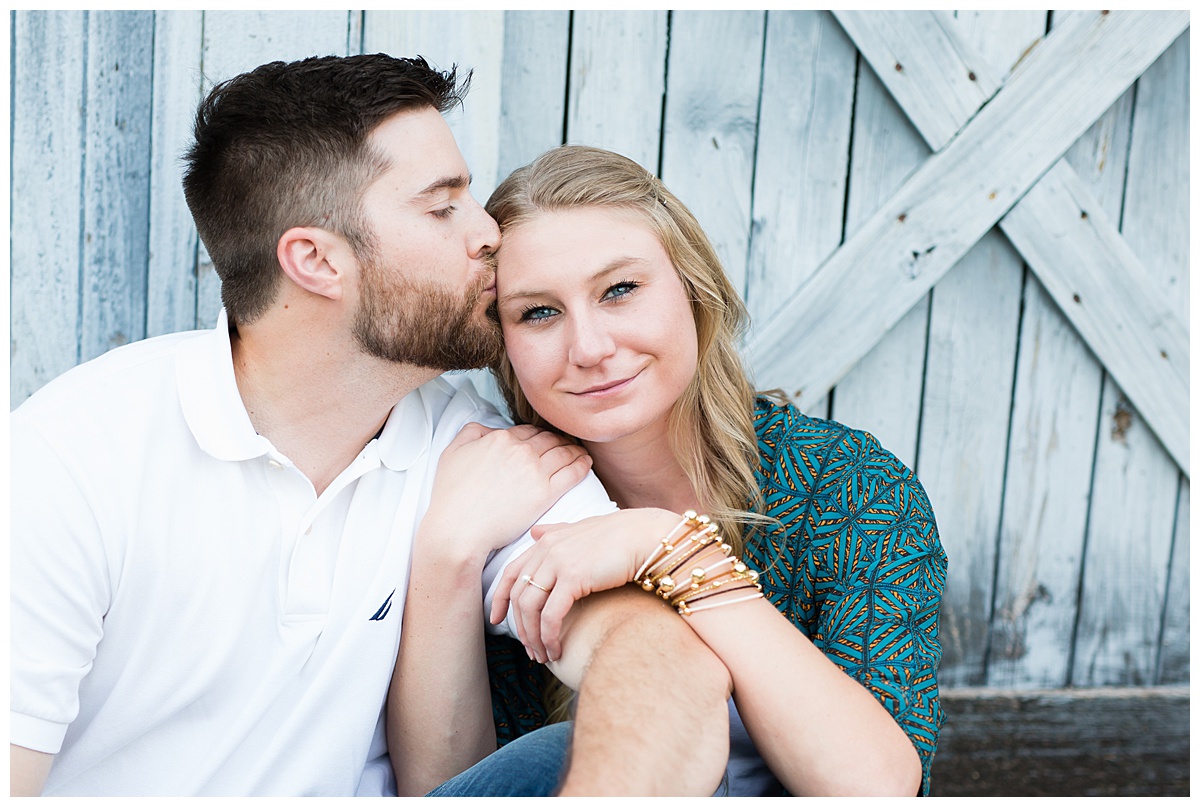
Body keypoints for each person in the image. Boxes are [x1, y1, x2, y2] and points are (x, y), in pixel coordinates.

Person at [9, 56, 735, 797]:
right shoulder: (71, 462)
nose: (490, 233)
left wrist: (447, 555)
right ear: (318, 260)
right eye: (442, 207)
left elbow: (657, 657)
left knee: (570, 750)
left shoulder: (473, 446)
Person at [398, 144, 948, 796]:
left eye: (620, 290)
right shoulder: (511, 496)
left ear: (694, 288)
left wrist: (674, 552)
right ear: (503, 343)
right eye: (538, 312)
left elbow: (876, 788)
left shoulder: (848, 487)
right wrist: (446, 555)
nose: (590, 348)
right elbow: (456, 788)